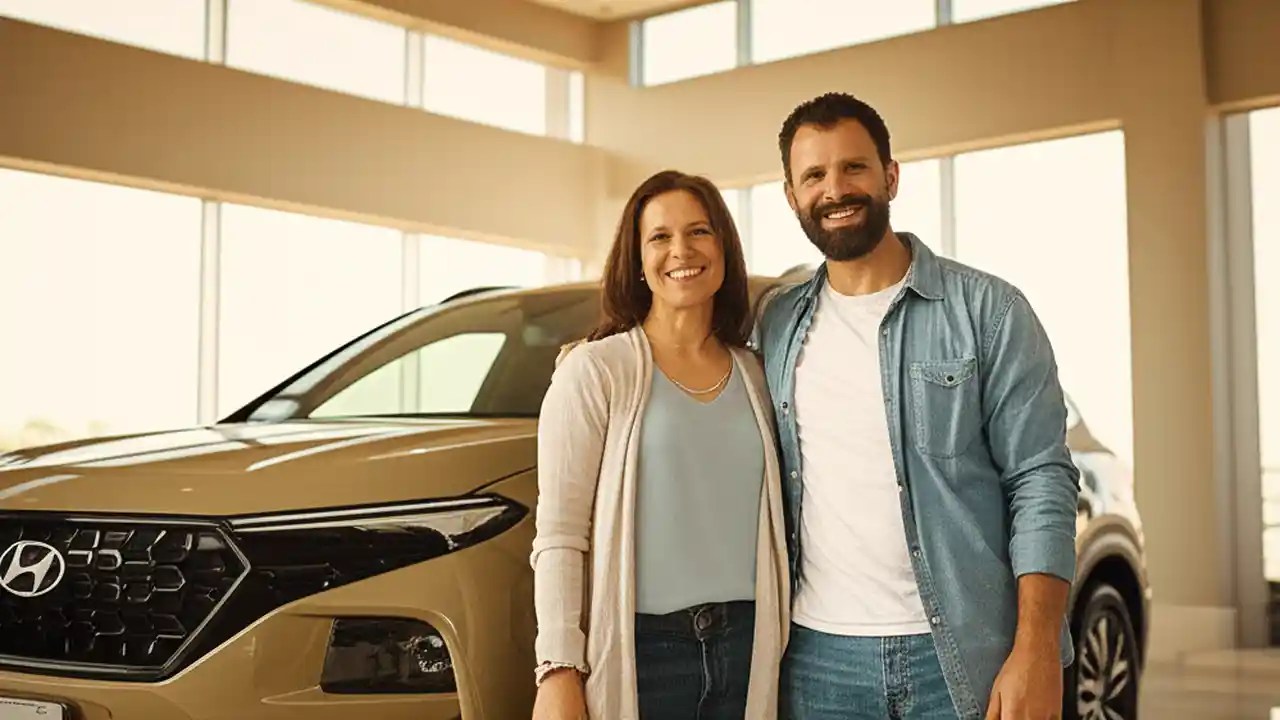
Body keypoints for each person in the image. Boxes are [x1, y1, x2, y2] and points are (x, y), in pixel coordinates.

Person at [754, 92, 1080, 720]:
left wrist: (1037, 647)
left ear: (891, 177)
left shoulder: (989, 311)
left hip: (965, 652)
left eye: (854, 168)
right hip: (818, 662)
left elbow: (1041, 479)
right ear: (792, 195)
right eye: (814, 175)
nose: (835, 189)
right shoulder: (775, 324)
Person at [530, 169, 791, 720]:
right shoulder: (595, 371)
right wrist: (557, 670)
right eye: (660, 237)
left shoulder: (758, 375)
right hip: (643, 653)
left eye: (699, 231)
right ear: (638, 258)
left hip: (748, 646)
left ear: (723, 246)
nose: (681, 250)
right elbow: (559, 536)